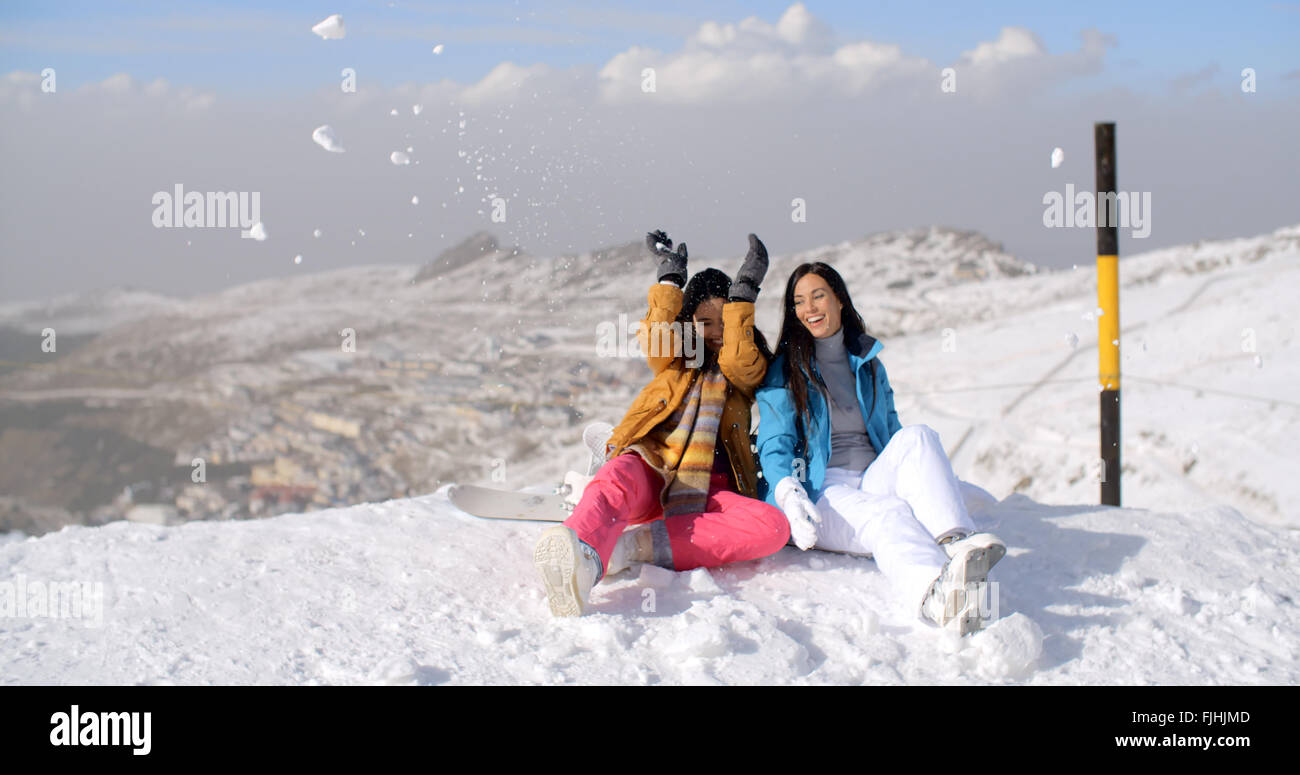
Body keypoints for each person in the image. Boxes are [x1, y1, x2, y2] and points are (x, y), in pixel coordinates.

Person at [533, 231, 792, 616]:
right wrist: (669, 281)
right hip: (653, 469)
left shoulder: (742, 375)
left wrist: (745, 294)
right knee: (620, 472)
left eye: (726, 321)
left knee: (772, 527)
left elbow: (740, 359)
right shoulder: (673, 361)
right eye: (705, 322)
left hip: (708, 491)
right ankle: (582, 555)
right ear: (688, 326)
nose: (717, 332)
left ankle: (628, 547)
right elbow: (656, 338)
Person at [755, 261, 1006, 636]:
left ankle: (956, 543)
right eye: (799, 301)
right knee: (888, 515)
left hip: (871, 477)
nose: (810, 308)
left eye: (818, 295)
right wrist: (787, 491)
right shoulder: (785, 370)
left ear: (839, 299)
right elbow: (774, 443)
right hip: (821, 493)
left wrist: (933, 487)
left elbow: (894, 438)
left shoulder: (869, 365)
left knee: (919, 435)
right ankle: (934, 596)